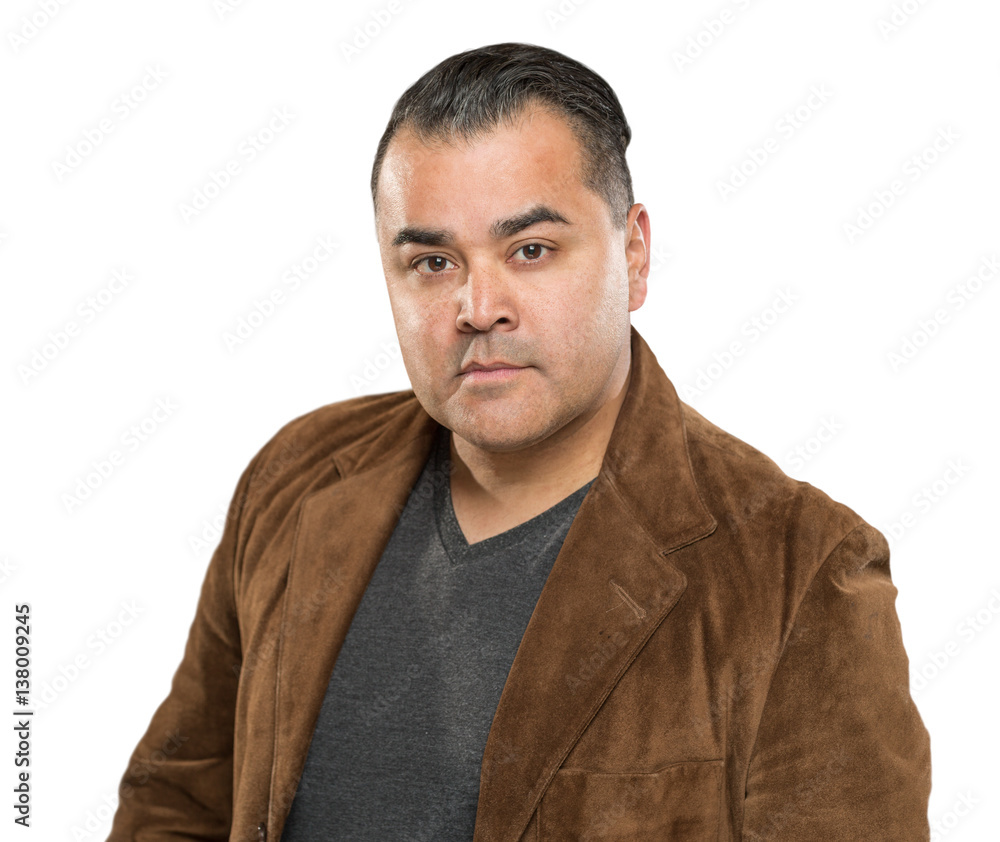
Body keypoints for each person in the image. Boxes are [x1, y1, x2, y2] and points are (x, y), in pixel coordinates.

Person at [106, 42, 931, 841]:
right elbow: (177, 805)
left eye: (530, 250)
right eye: (431, 262)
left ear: (634, 255)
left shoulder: (800, 574)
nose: (478, 305)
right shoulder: (296, 476)